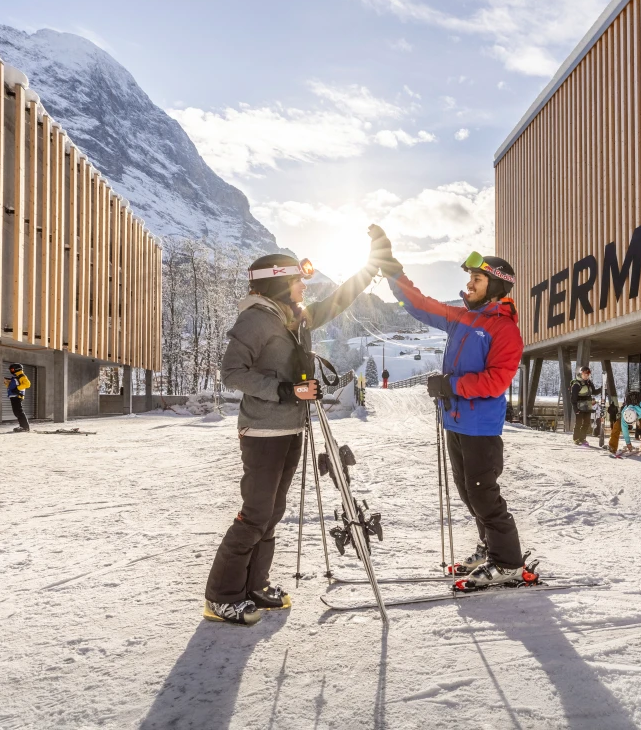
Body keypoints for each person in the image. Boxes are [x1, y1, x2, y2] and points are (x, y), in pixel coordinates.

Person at [203, 242, 385, 626]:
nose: (305, 287)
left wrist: (369, 269)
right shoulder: (255, 320)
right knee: (255, 514)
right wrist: (286, 391)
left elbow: (336, 301)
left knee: (272, 513)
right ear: (280, 283)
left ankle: (255, 586)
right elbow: (233, 373)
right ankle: (221, 597)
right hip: (263, 430)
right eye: (298, 281)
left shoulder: (294, 318)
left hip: (290, 428)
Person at [369, 226, 526, 589]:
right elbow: (420, 304)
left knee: (483, 494)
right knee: (469, 493)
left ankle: (509, 562)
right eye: (470, 278)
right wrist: (390, 265)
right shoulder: (464, 317)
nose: (469, 284)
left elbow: (496, 381)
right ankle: (490, 547)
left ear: (496, 285)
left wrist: (450, 385)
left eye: (476, 279)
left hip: (481, 427)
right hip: (455, 421)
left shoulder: (504, 330)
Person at [569, 366, 601, 446]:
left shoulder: (589, 383)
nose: (586, 376)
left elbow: (594, 392)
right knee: (579, 423)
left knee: (586, 423)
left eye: (588, 374)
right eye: (584, 374)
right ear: (581, 374)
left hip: (587, 406)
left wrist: (602, 389)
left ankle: (582, 438)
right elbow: (573, 398)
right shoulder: (576, 385)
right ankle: (576, 438)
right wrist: (575, 408)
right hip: (579, 406)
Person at [617, 391, 641, 457]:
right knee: (616, 425)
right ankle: (612, 445)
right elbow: (625, 430)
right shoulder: (624, 414)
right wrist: (628, 443)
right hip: (632, 415)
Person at [4, 363, 32, 432]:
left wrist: (18, 388)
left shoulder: (21, 376)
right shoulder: (15, 377)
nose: (11, 371)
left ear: (17, 369)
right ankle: (22, 426)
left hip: (17, 396)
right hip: (13, 396)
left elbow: (27, 384)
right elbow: (12, 387)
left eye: (12, 369)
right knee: (16, 412)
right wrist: (7, 384)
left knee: (19, 411)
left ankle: (25, 427)